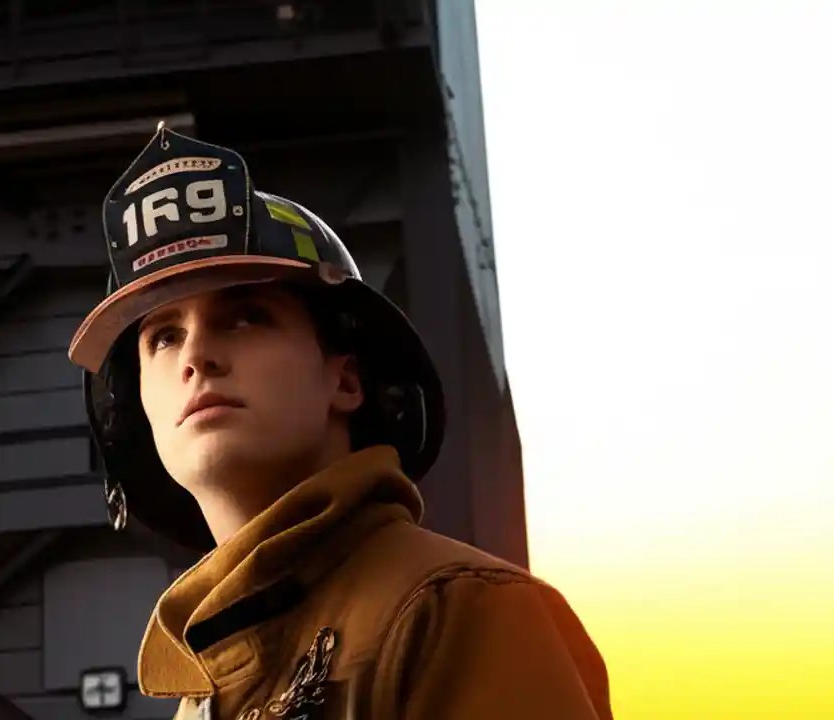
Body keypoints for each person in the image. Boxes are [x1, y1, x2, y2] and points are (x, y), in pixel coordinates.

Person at [67, 124, 612, 719]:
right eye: (165, 337)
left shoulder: (463, 611)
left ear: (346, 380)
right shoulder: (201, 694)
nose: (197, 357)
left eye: (247, 316)